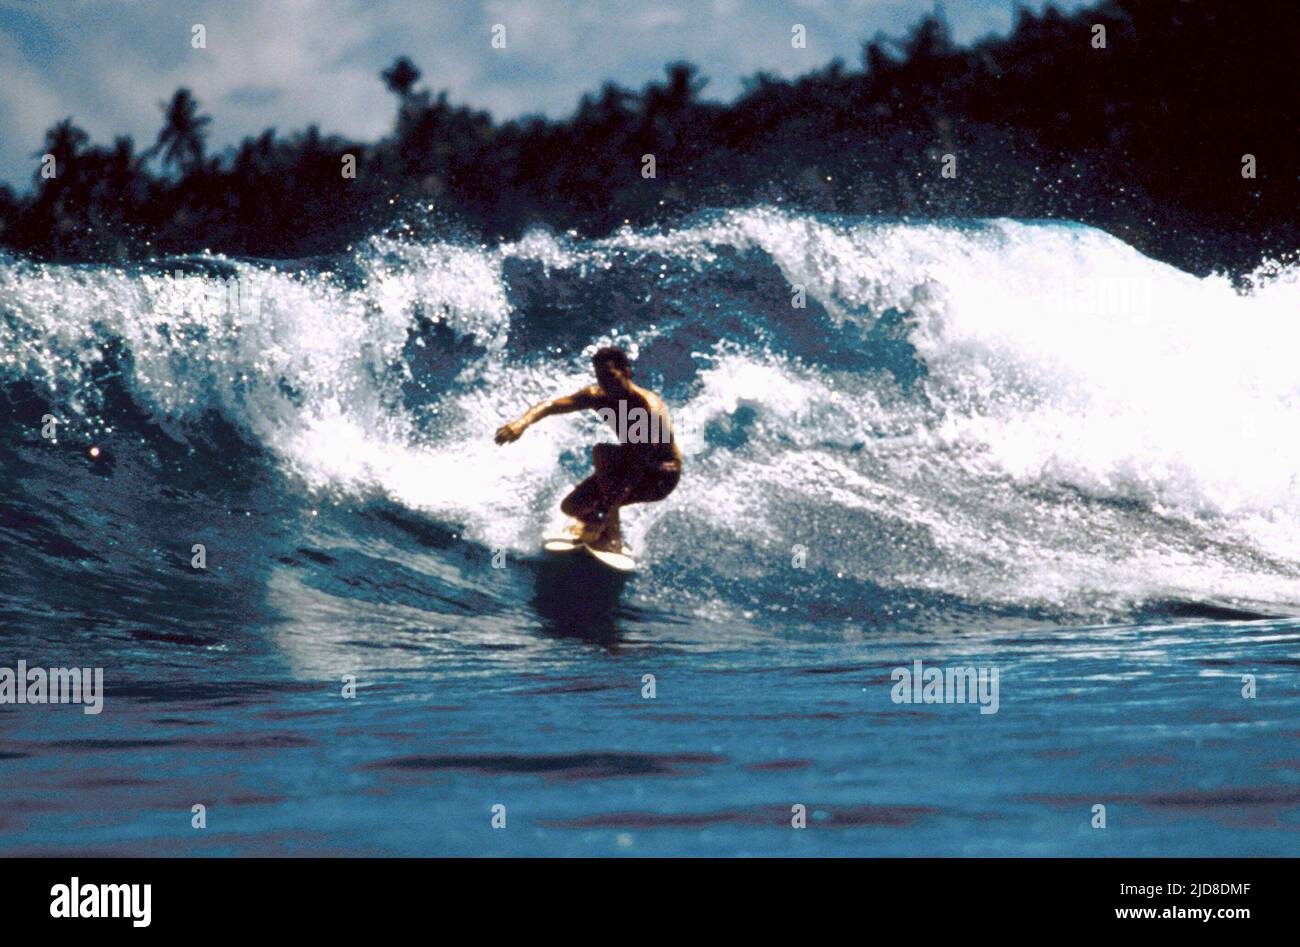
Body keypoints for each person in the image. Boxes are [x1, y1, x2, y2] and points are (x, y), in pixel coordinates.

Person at [494, 347, 681, 551]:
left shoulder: (646, 409)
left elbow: (635, 469)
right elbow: (550, 406)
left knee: (603, 453)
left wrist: (604, 511)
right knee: (572, 507)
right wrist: (521, 424)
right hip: (630, 464)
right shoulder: (597, 396)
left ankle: (612, 536)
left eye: (610, 377)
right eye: (600, 378)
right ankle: (598, 528)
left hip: (660, 475)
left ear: (627, 372)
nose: (605, 384)